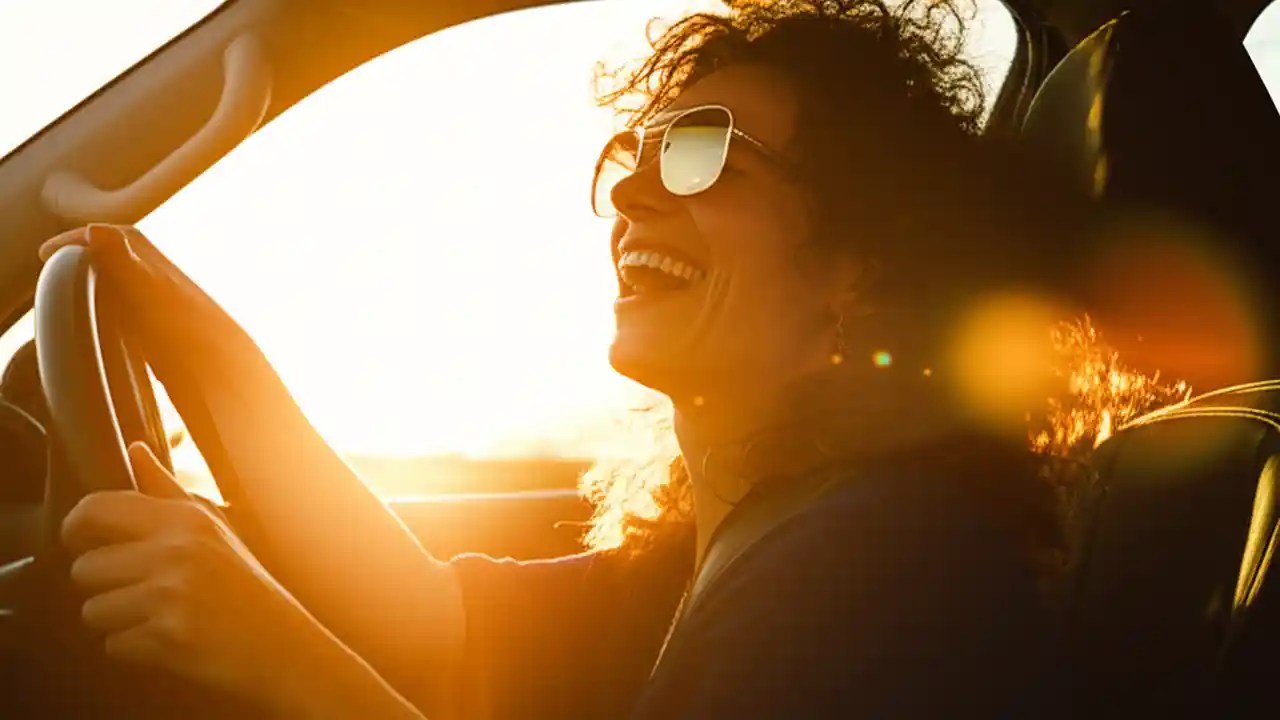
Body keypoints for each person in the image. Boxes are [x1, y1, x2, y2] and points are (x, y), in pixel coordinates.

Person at [38, 1, 1161, 717]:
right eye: (637, 152)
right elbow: (435, 618)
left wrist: (278, 659)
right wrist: (206, 345)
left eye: (702, 155)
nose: (629, 193)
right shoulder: (737, 537)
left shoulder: (887, 569)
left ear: (859, 263)